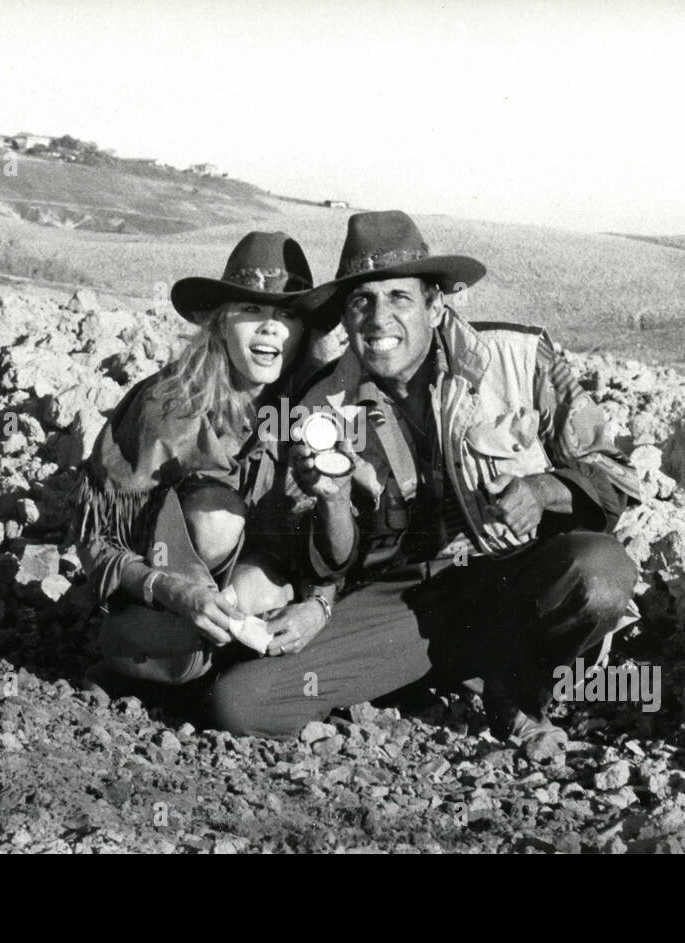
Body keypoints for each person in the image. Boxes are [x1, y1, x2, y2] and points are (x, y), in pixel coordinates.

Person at [204, 211, 643, 754]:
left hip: (516, 580)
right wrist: (334, 503)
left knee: (599, 575)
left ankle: (519, 688)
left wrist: (541, 491)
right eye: (361, 301)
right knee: (243, 702)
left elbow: (616, 478)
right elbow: (325, 560)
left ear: (437, 305)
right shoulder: (323, 404)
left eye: (399, 298)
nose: (378, 318)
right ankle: (440, 672)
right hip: (405, 602)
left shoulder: (520, 358)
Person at [73, 231, 333, 687]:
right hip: (161, 589)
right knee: (219, 517)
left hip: (249, 587)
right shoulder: (168, 406)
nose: (271, 327)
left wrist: (318, 604)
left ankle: (211, 670)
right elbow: (96, 538)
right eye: (252, 310)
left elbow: (328, 537)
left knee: (270, 587)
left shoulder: (308, 407)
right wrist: (172, 590)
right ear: (219, 321)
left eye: (287, 314)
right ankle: (162, 658)